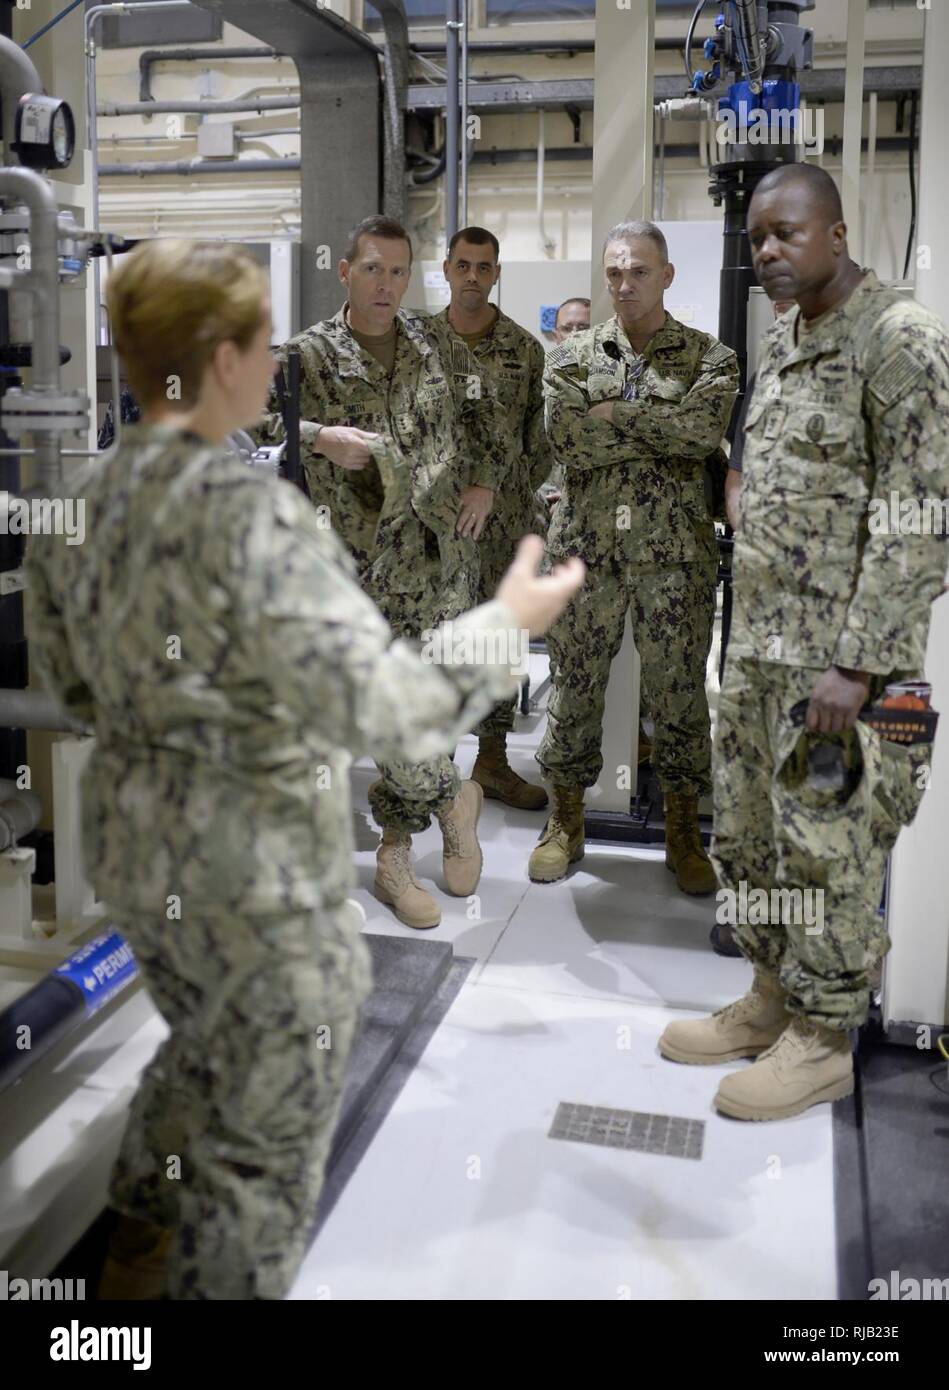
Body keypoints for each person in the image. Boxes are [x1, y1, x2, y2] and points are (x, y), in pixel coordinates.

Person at [23, 239, 585, 1299]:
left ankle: (136, 1245)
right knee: (260, 1156)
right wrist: (509, 621)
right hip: (256, 880)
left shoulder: (76, 509)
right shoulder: (255, 519)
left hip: (143, 857)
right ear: (231, 361)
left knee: (198, 1036)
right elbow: (387, 704)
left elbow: (77, 688)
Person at [659, 163, 949, 1121]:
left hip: (839, 673)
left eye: (785, 233)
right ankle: (771, 999)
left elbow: (919, 522)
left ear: (835, 233)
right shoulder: (785, 336)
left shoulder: (899, 342)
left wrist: (856, 668)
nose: (768, 253)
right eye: (754, 240)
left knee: (828, 851)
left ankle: (824, 1040)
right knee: (746, 836)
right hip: (757, 655)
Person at [255, 215, 511, 930]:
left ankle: (395, 861)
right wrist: (315, 438)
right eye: (372, 269)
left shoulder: (435, 344)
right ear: (344, 271)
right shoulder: (305, 355)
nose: (386, 285)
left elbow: (489, 419)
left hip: (435, 562)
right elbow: (250, 426)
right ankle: (453, 801)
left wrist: (485, 484)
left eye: (398, 272)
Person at [531, 220, 738, 893]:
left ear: (666, 276)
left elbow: (700, 431)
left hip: (674, 559)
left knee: (678, 697)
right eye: (614, 272)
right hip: (585, 554)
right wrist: (657, 430)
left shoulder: (711, 359)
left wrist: (613, 416)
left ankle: (683, 833)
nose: (624, 284)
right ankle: (564, 823)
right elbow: (566, 439)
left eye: (639, 271)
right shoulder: (569, 357)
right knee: (573, 688)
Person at [429, 225, 553, 810]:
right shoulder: (420, 342)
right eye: (464, 265)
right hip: (431, 526)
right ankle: (431, 767)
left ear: (497, 273)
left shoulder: (525, 350)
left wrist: (504, 495)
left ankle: (494, 760)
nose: (473, 277)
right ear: (447, 269)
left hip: (502, 524)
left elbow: (539, 438)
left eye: (484, 267)